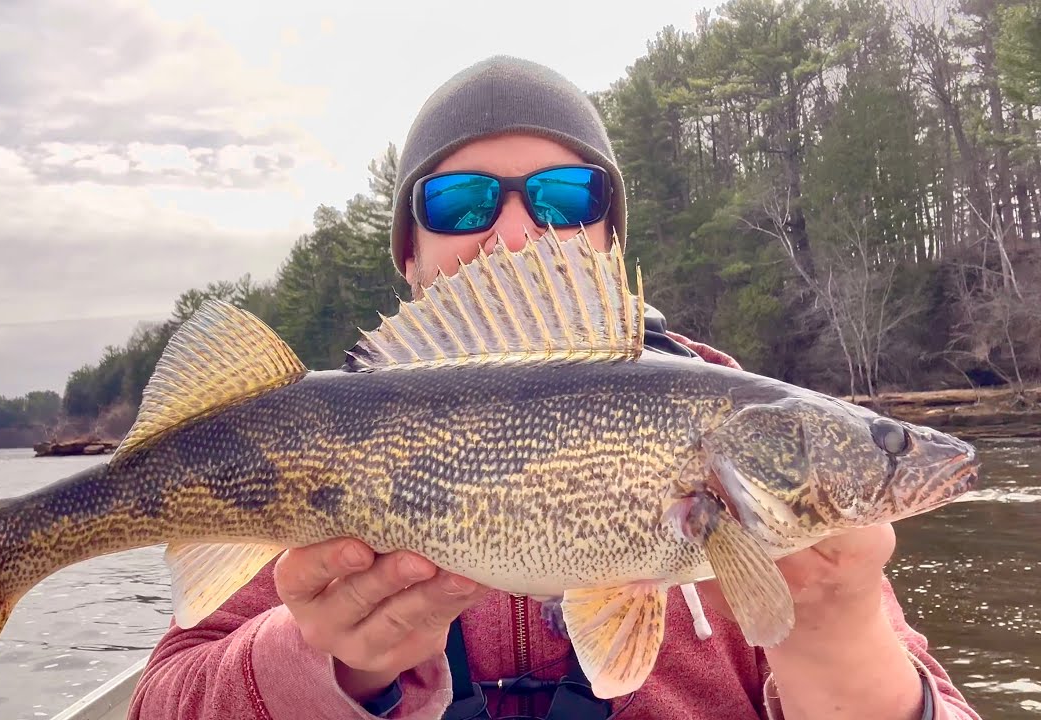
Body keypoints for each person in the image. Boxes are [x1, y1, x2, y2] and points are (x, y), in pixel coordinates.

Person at [128, 56, 979, 720]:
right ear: (408, 253)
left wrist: (840, 633)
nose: (516, 229)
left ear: (610, 235)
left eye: (564, 196)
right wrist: (320, 660)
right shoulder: (309, 431)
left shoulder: (732, 416)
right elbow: (159, 703)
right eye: (460, 203)